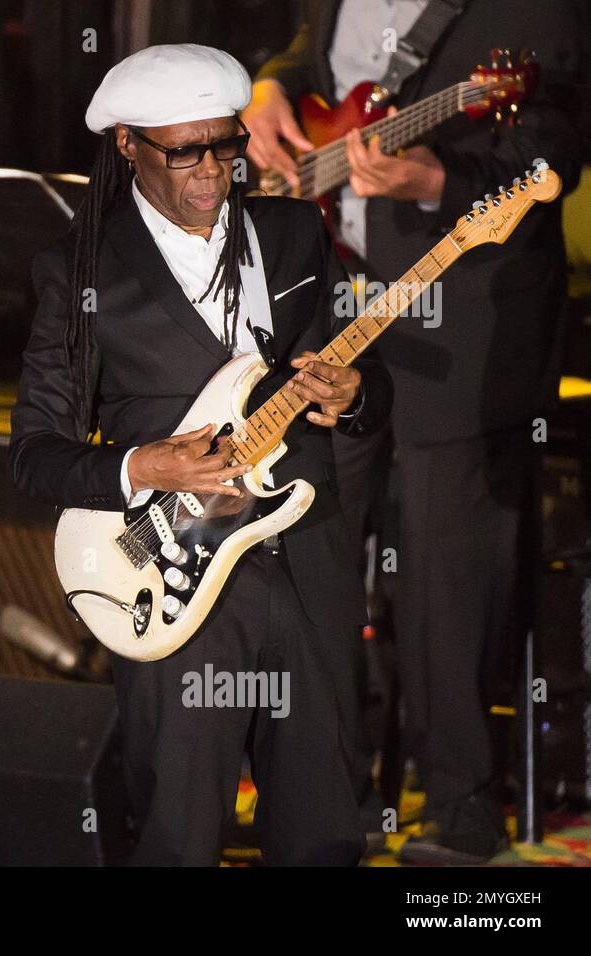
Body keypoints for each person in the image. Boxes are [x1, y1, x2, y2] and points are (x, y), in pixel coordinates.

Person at [10, 44, 392, 865]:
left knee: (326, 836)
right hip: (178, 579)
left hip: (308, 557)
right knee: (180, 836)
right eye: (184, 150)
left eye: (226, 145)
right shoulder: (81, 270)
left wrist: (354, 396)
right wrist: (144, 467)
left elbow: (364, 387)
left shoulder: (291, 235)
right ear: (127, 145)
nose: (212, 171)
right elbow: (35, 453)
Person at [243, 0, 586, 862]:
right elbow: (310, 54)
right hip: (335, 311)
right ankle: (328, 792)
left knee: (449, 573)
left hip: (464, 312)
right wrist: (270, 88)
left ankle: (460, 809)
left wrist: (437, 182)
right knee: (308, 546)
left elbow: (559, 146)